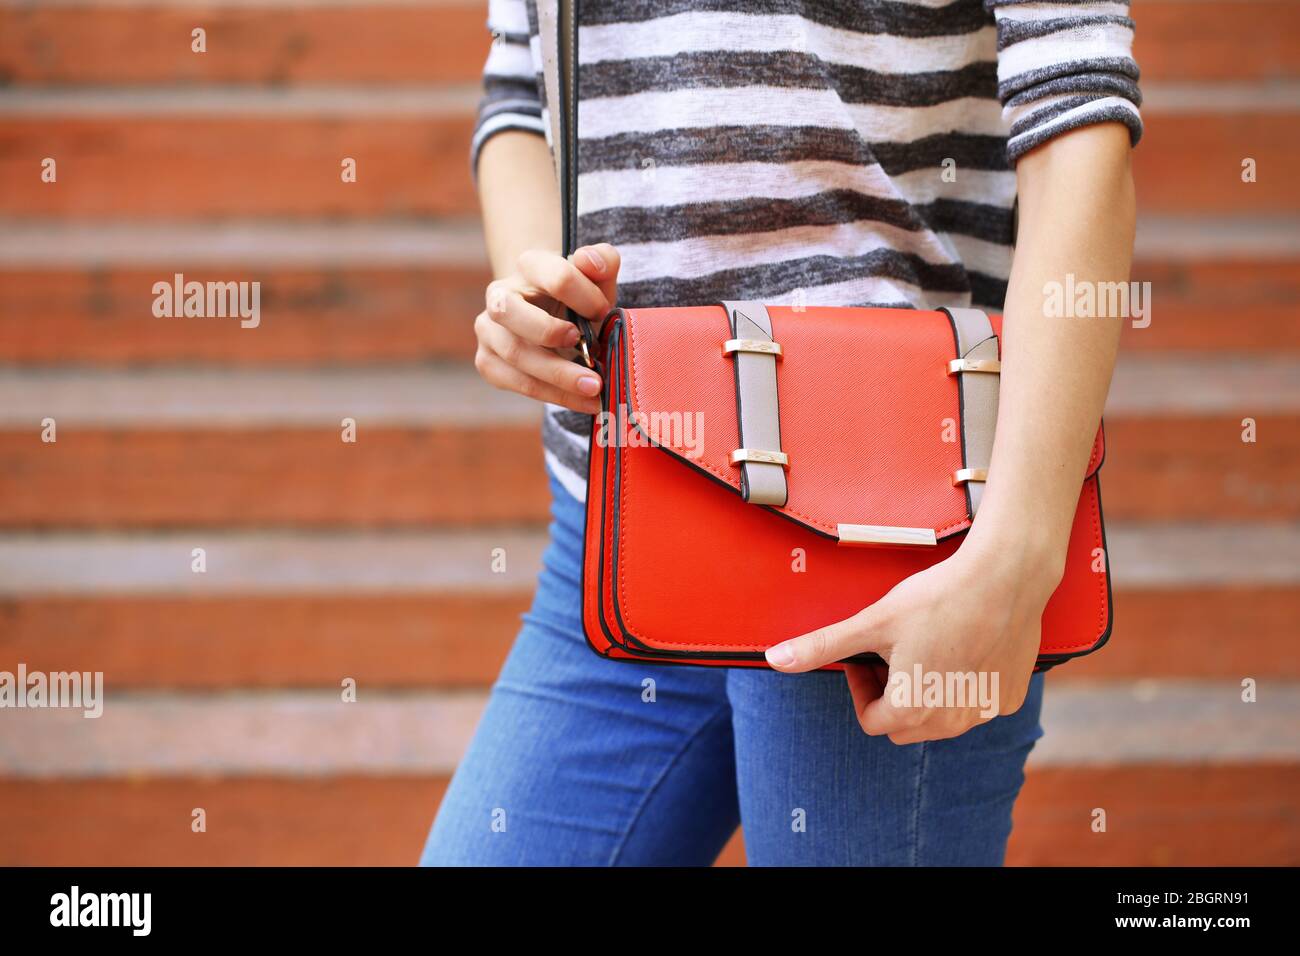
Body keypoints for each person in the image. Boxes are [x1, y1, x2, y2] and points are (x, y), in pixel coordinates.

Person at [421, 0, 1141, 866]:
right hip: (621, 515)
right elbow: (520, 84)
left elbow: (1081, 123)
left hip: (889, 536)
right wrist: (535, 287)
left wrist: (1014, 565)